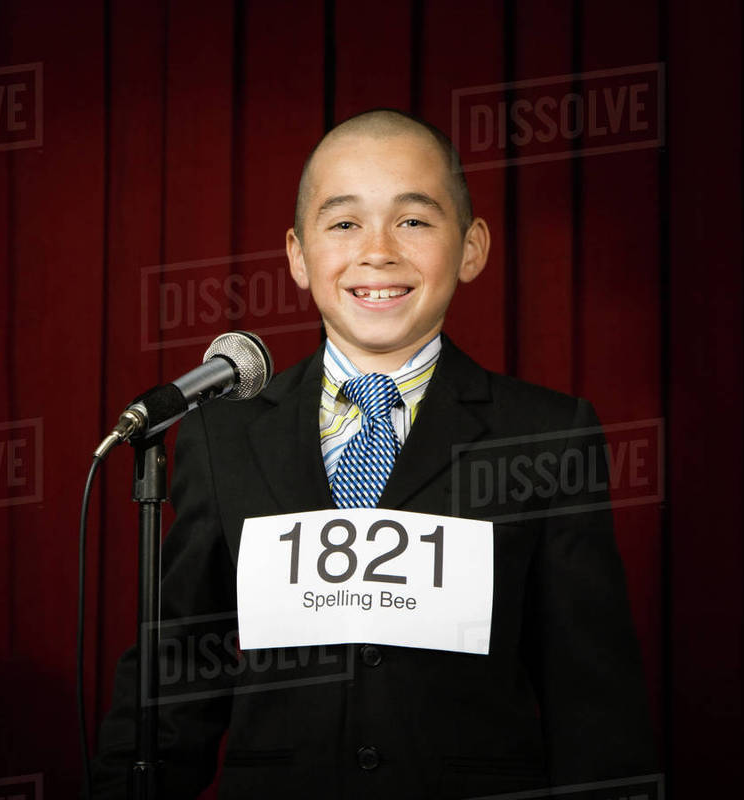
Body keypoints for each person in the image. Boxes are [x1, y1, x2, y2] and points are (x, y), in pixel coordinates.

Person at [91, 108, 657, 798]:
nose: (379, 251)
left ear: (472, 247)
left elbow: (592, 699)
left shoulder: (545, 431)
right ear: (298, 255)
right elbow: (178, 675)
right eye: (344, 223)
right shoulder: (222, 435)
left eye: (414, 221)